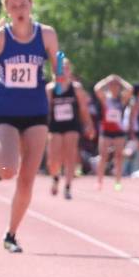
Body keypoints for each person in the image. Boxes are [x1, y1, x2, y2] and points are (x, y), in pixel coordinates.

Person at [0, 0, 63, 253]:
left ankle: (11, 233)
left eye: (23, 5)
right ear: (7, 10)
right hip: (6, 113)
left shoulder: (46, 34)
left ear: (31, 6)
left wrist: (61, 72)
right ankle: (0, 160)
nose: (19, 10)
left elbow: (58, 60)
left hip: (36, 113)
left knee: (27, 179)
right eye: (13, 6)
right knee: (7, 170)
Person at [46, 60, 94, 199]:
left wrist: (89, 125)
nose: (64, 71)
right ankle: (55, 177)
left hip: (72, 125)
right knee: (53, 158)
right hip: (55, 125)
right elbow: (47, 111)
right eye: (61, 69)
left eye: (66, 68)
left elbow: (84, 109)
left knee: (70, 154)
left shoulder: (76, 88)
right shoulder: (50, 89)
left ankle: (67, 186)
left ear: (70, 71)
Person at [93, 74, 133, 191]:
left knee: (119, 157)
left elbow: (130, 89)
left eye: (116, 85)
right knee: (103, 156)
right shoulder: (105, 98)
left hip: (118, 131)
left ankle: (118, 182)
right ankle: (99, 181)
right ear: (109, 87)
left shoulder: (122, 99)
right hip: (106, 131)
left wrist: (120, 80)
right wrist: (107, 80)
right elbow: (97, 88)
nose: (114, 87)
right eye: (112, 85)